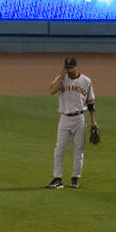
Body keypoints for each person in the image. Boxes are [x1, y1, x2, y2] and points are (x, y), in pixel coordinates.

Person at [44, 56, 97, 190]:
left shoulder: (86, 81)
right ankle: (57, 178)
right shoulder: (61, 79)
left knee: (79, 150)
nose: (68, 70)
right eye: (66, 68)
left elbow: (91, 102)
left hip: (79, 119)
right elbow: (51, 91)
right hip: (64, 119)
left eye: (70, 67)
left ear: (76, 66)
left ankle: (75, 178)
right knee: (59, 149)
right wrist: (61, 77)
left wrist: (94, 122)